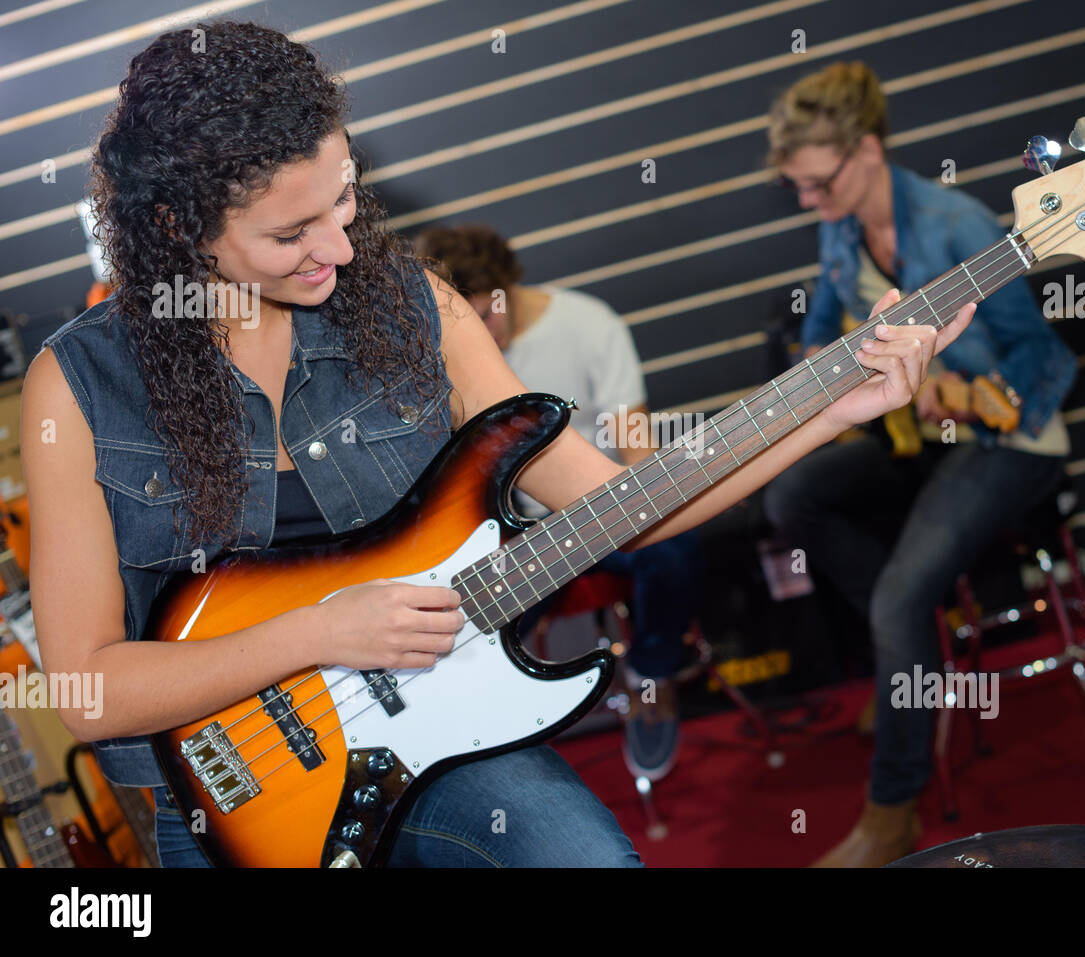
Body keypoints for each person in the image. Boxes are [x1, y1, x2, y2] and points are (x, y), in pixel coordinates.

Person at [21, 24, 971, 868]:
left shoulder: (412, 304)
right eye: (291, 233)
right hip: (234, 803)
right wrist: (318, 631)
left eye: (344, 200)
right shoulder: (80, 384)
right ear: (180, 229)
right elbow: (90, 690)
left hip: (451, 742)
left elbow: (625, 510)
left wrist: (835, 406)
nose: (340, 249)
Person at [762, 62, 1078, 867]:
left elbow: (1042, 359)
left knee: (905, 589)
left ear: (867, 149)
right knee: (792, 498)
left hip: (1009, 439)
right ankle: (906, 648)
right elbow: (824, 327)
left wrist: (971, 396)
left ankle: (892, 811)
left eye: (817, 183)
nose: (808, 201)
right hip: (913, 435)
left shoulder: (958, 224)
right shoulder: (840, 228)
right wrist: (805, 388)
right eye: (799, 187)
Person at [414, 224, 699, 784]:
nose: (485, 338)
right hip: (515, 535)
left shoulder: (587, 324)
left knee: (673, 542)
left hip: (601, 512)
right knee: (460, 625)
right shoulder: (440, 347)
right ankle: (478, 754)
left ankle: (652, 678)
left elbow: (636, 450)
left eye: (487, 318)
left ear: (507, 288)